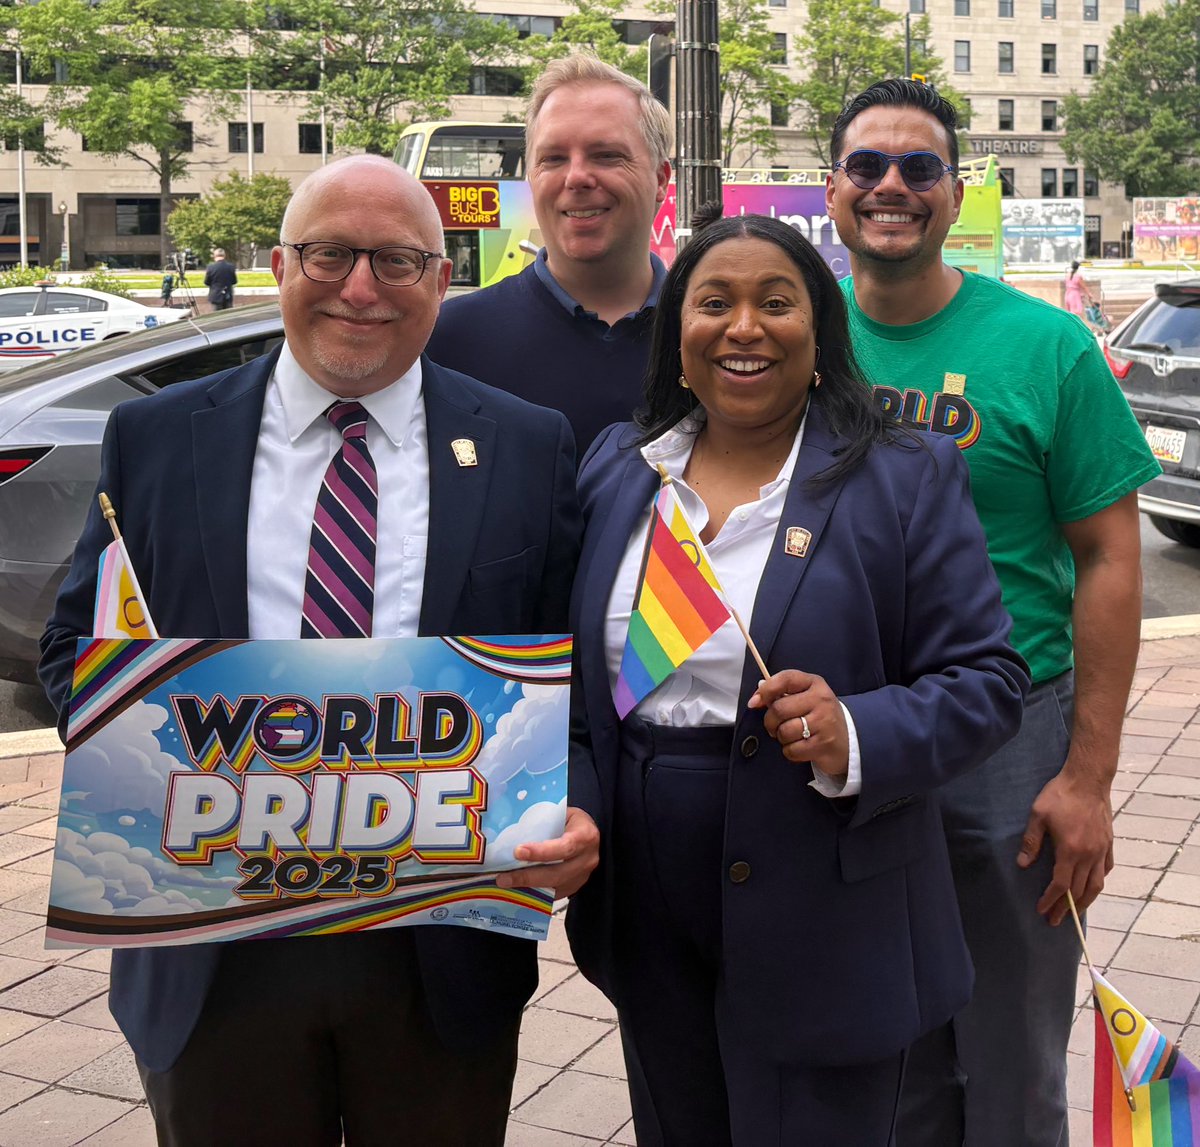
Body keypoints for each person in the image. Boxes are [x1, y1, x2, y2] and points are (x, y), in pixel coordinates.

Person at [39, 155, 597, 1147]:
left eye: (397, 261)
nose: (360, 287)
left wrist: (577, 798)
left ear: (439, 279)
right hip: (213, 941)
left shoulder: (525, 443)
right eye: (331, 254)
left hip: (438, 944)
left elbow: (574, 679)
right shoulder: (158, 439)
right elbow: (70, 648)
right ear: (281, 262)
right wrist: (139, 748)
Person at [565, 211, 1030, 1145]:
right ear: (678, 337)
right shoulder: (622, 469)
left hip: (830, 902)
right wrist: (575, 805)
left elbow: (989, 679)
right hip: (646, 905)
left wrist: (856, 729)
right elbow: (578, 695)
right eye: (714, 303)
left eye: (776, 303)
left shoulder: (904, 474)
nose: (745, 327)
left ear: (819, 332)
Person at [824, 78, 1161, 1146]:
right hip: (848, 732)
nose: (891, 186)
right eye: (867, 166)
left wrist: (1089, 778)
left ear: (955, 192)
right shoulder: (788, 330)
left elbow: (1111, 557)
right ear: (831, 191)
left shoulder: (1046, 347)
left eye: (918, 167)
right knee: (883, 1047)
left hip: (1011, 734)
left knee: (1011, 1056)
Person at [426, 54, 672, 454]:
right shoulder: (446, 341)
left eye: (607, 155)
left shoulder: (715, 339)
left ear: (661, 179)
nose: (576, 177)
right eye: (554, 158)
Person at [204, 246, 237, 311]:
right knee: (228, 316)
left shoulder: (211, 267)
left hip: (215, 296)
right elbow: (234, 281)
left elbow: (207, 282)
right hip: (227, 296)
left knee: (216, 317)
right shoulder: (230, 267)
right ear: (224, 255)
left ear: (214, 256)